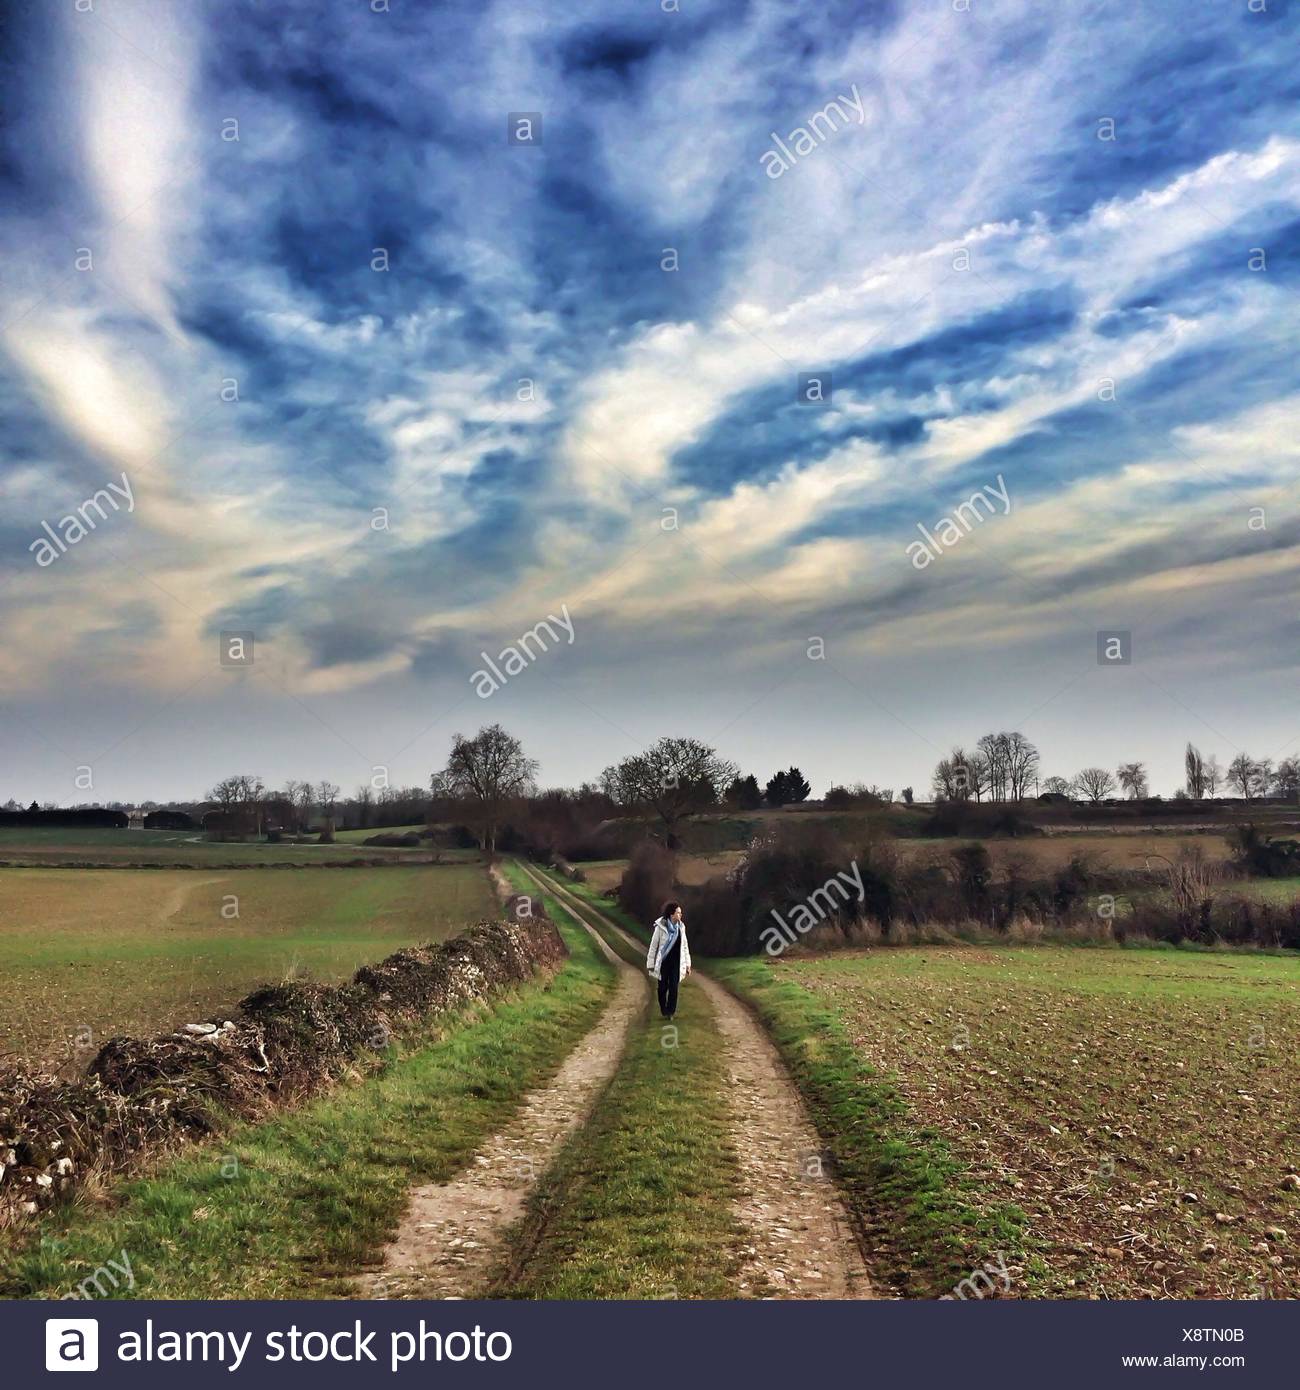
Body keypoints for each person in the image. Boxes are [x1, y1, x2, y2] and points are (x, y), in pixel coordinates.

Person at [646, 900, 691, 1019]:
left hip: (676, 963)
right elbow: (653, 946)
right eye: (678, 913)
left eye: (680, 913)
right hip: (663, 963)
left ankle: (670, 1012)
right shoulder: (660, 927)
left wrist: (688, 964)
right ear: (672, 914)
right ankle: (664, 1009)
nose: (680, 915)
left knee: (673, 988)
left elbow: (685, 946)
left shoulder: (681, 928)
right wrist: (650, 963)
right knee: (662, 988)